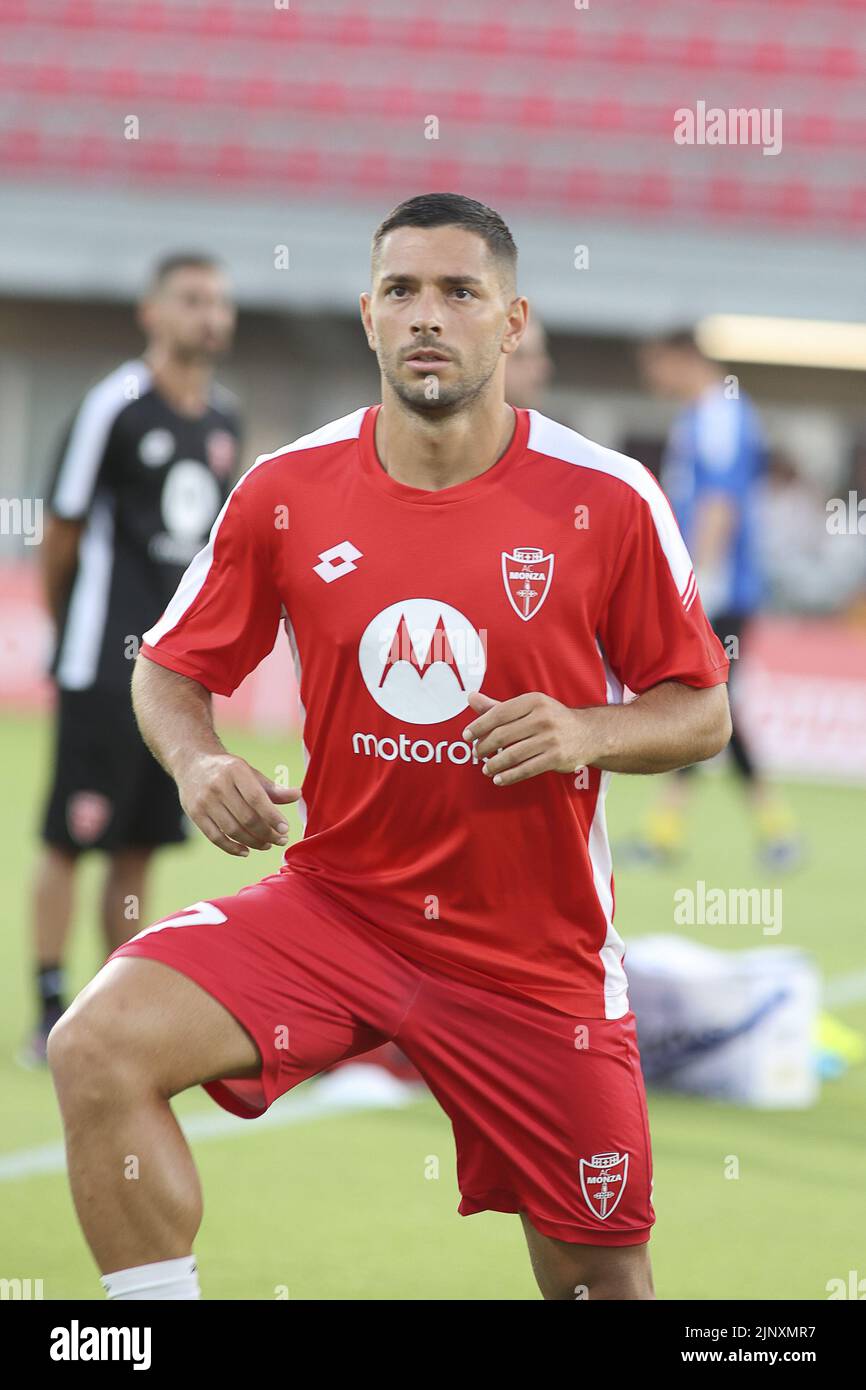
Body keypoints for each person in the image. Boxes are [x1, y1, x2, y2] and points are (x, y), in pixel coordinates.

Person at [48, 193, 731, 1302]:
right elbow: (169, 667)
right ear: (368, 317)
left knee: (602, 1279)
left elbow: (699, 707)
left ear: (512, 324)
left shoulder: (607, 499)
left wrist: (584, 730)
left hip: (530, 956)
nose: (428, 316)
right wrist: (197, 761)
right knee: (97, 1046)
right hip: (337, 908)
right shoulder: (285, 489)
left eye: (459, 291)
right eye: (402, 291)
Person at [22, 254, 239, 1066]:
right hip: (105, 668)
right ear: (152, 312)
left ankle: (109, 1005)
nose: (208, 315)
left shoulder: (223, 419)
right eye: (191, 299)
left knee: (141, 845)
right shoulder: (113, 406)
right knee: (71, 837)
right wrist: (75, 629)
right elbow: (64, 529)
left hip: (177, 676)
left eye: (218, 302)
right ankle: (46, 1009)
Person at [633, 329, 800, 869]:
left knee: (707, 706)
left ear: (682, 357)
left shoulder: (720, 413)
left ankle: (769, 834)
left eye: (657, 365)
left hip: (720, 590)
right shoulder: (707, 413)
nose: (653, 379)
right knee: (711, 705)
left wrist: (696, 582)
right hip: (720, 587)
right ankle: (764, 833)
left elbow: (720, 504)